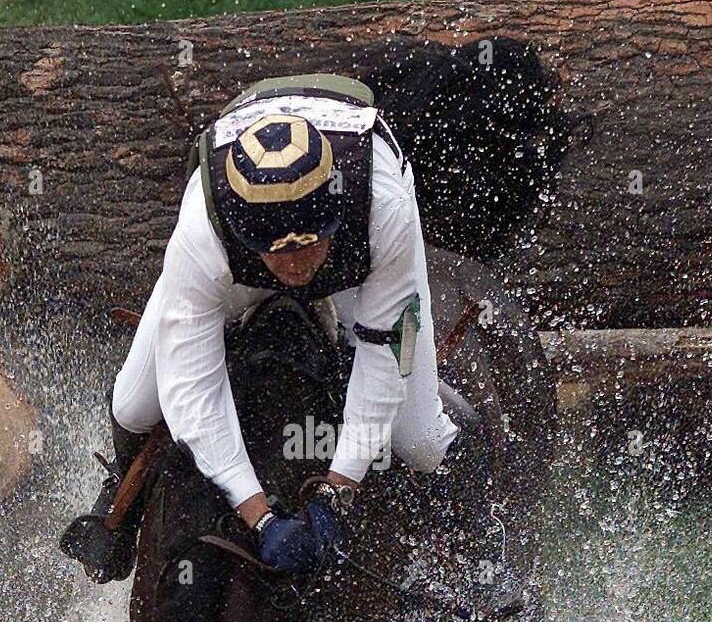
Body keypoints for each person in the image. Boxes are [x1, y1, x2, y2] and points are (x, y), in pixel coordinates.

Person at [61, 73, 462, 582]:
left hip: (351, 261)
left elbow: (384, 355)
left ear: (331, 217)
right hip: (241, 271)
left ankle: (472, 560)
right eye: (278, 249)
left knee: (421, 440)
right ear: (246, 232)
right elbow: (194, 392)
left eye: (305, 244)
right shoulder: (203, 232)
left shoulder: (383, 204)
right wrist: (262, 517)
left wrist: (336, 492)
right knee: (134, 404)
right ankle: (117, 511)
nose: (293, 267)